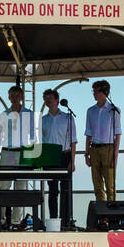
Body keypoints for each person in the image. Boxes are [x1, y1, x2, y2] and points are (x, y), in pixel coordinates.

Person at [0, 85, 36, 229]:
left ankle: (16, 222)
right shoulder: (3, 114)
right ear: (9, 97)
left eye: (18, 95)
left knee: (21, 189)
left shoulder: (29, 114)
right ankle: (2, 221)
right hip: (7, 152)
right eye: (12, 95)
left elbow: (33, 137)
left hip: (23, 153)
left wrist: (31, 157)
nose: (15, 98)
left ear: (22, 96)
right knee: (4, 187)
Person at [39, 88, 77, 226]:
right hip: (50, 156)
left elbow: (73, 141)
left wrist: (72, 161)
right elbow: (41, 141)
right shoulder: (43, 120)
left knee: (66, 189)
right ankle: (54, 221)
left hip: (65, 154)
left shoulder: (67, 118)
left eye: (50, 98)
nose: (47, 101)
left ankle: (66, 221)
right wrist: (42, 160)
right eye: (45, 98)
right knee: (53, 190)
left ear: (56, 100)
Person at [84, 79, 121, 203]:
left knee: (110, 185)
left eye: (96, 91)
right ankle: (102, 217)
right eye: (93, 91)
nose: (94, 93)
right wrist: (86, 153)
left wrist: (115, 155)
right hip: (94, 149)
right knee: (97, 185)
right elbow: (88, 134)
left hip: (108, 148)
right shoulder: (90, 111)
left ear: (105, 92)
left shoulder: (113, 110)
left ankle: (112, 215)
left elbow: (118, 134)